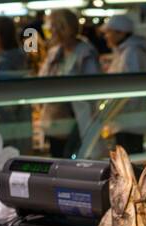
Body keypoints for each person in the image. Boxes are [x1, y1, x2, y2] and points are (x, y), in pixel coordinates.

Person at [38, 9, 100, 158]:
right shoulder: (54, 53)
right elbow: (41, 82)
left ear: (63, 27)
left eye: (52, 26)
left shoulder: (86, 54)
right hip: (54, 123)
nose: (49, 31)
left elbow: (93, 89)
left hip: (76, 123)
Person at [103, 15, 146, 154]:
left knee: (130, 166)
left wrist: (114, 109)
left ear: (121, 33)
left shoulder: (131, 53)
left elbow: (133, 91)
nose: (106, 36)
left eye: (109, 32)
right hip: (125, 122)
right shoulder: (125, 52)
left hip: (130, 123)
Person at [0, 17, 32, 151]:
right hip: (20, 135)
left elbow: (3, 110)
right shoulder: (19, 59)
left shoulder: (4, 64)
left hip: (8, 139)